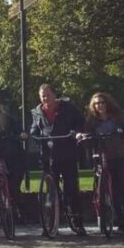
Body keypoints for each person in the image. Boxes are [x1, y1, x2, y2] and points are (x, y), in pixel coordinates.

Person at [76, 92, 124, 233]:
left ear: (108, 103)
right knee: (114, 191)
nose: (100, 105)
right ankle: (120, 222)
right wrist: (81, 136)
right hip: (105, 158)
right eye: (96, 103)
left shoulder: (119, 116)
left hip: (122, 156)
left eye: (102, 102)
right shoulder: (92, 120)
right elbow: (85, 134)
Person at [30, 84, 87, 236]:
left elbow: (80, 122)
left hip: (67, 152)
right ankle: (50, 224)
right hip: (49, 155)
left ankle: (77, 222)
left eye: (48, 95)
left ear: (54, 95)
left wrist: (76, 133)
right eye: (42, 96)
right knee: (50, 191)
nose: (45, 98)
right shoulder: (37, 112)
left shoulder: (68, 108)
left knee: (71, 189)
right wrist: (36, 137)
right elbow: (34, 130)